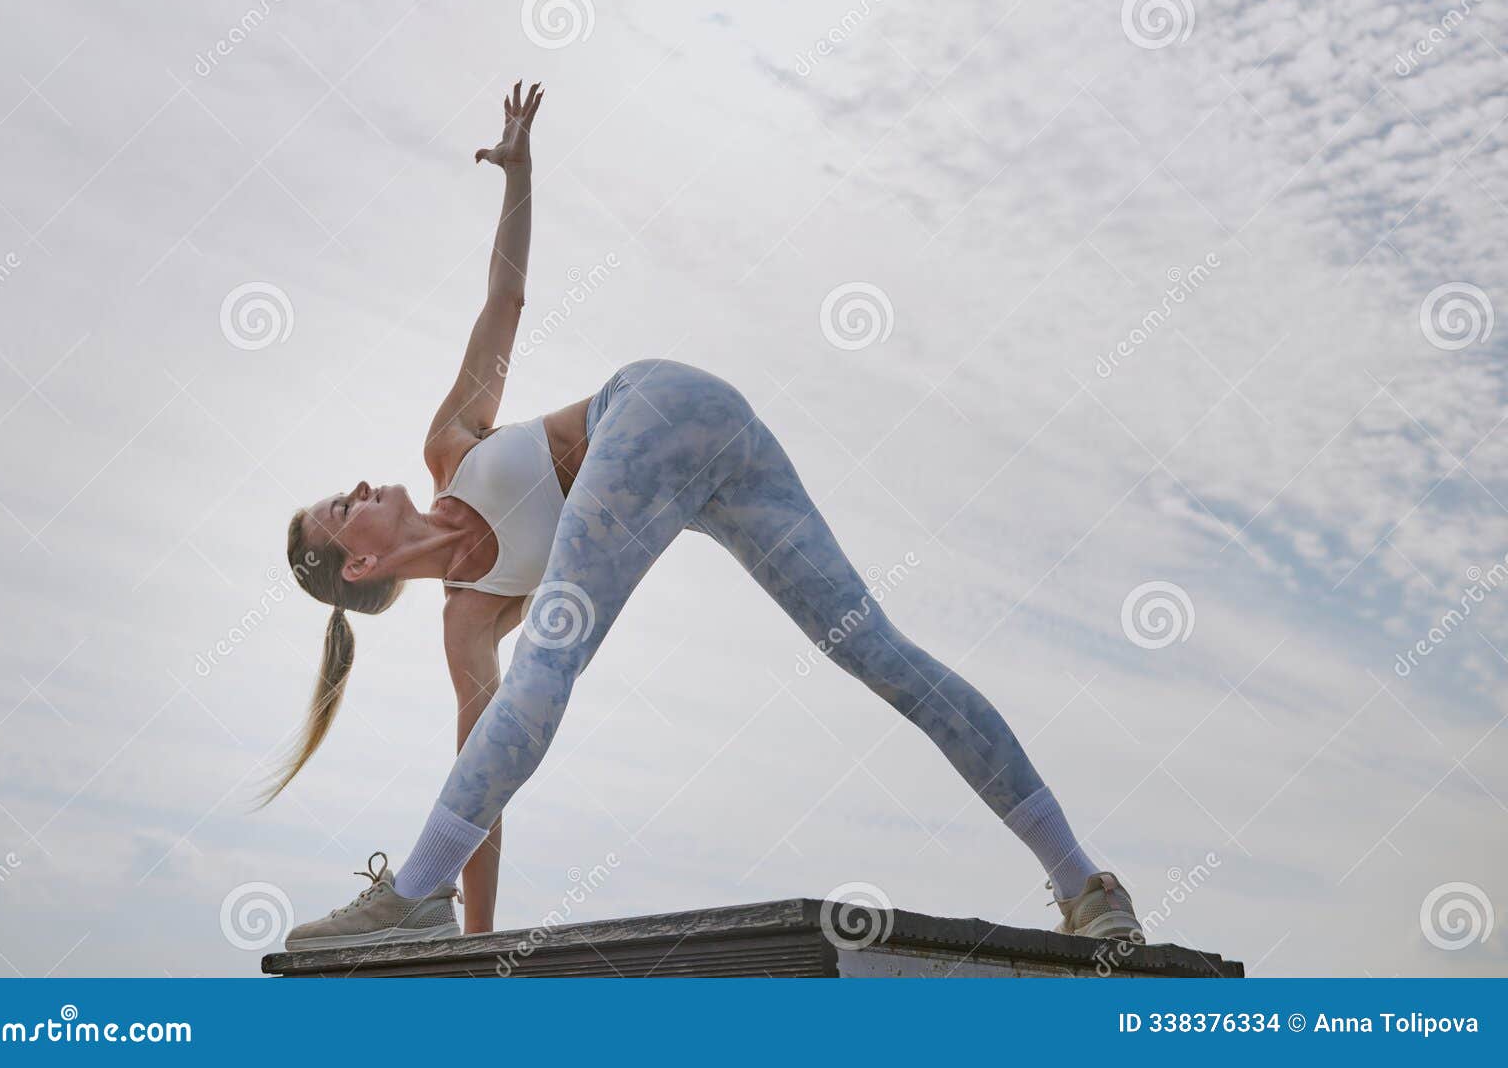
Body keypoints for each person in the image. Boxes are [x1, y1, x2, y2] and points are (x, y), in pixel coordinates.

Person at [272, 81, 1143, 952]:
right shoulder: (470, 620)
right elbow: (485, 785)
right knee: (872, 652)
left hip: (662, 404)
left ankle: (412, 898)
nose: (356, 489)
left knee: (555, 661)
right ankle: (1087, 885)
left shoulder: (450, 446)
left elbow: (503, 303)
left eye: (342, 490)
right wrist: (480, 954)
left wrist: (519, 178)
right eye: (339, 511)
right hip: (719, 469)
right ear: (357, 566)